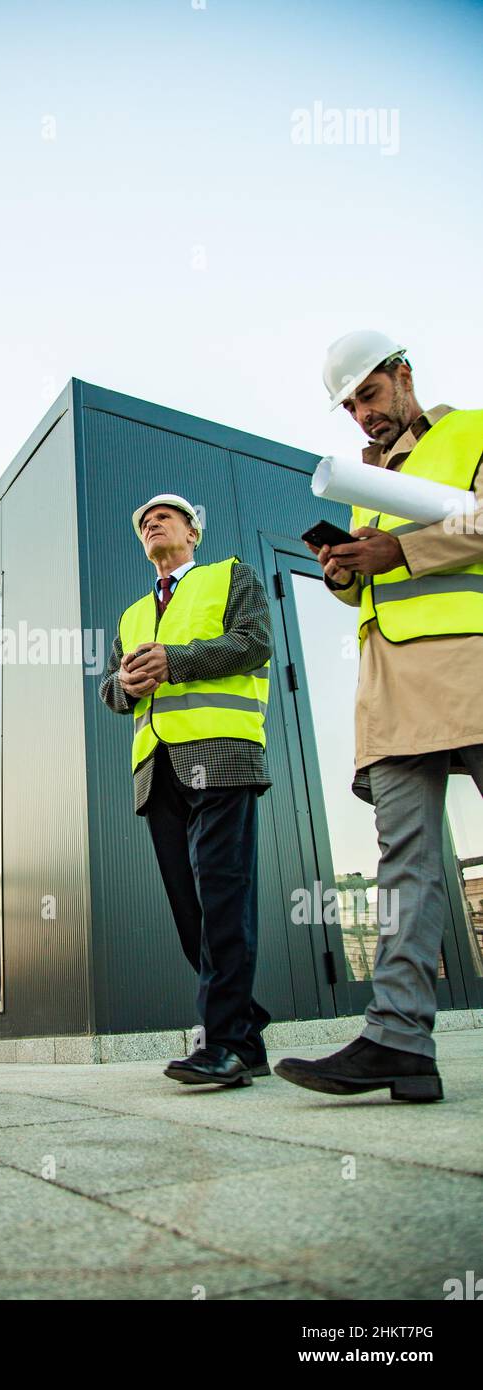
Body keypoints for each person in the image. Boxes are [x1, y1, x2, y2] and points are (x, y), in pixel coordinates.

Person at [276, 330, 483, 1102]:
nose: (362, 414)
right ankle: (399, 1041)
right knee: (405, 867)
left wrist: (400, 554)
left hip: (473, 664)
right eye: (350, 405)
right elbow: (374, 582)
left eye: (369, 393)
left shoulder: (473, 432)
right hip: (392, 686)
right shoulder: (365, 486)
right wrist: (343, 572)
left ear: (403, 375)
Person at [99, 494, 274, 1087]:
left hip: (221, 755)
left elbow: (253, 643)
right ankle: (245, 1034)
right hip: (158, 768)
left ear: (192, 532)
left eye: (164, 518)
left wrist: (176, 661)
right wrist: (123, 681)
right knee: (188, 912)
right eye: (143, 522)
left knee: (223, 898)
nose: (150, 523)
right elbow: (113, 692)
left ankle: (223, 1043)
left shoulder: (231, 575)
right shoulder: (130, 615)